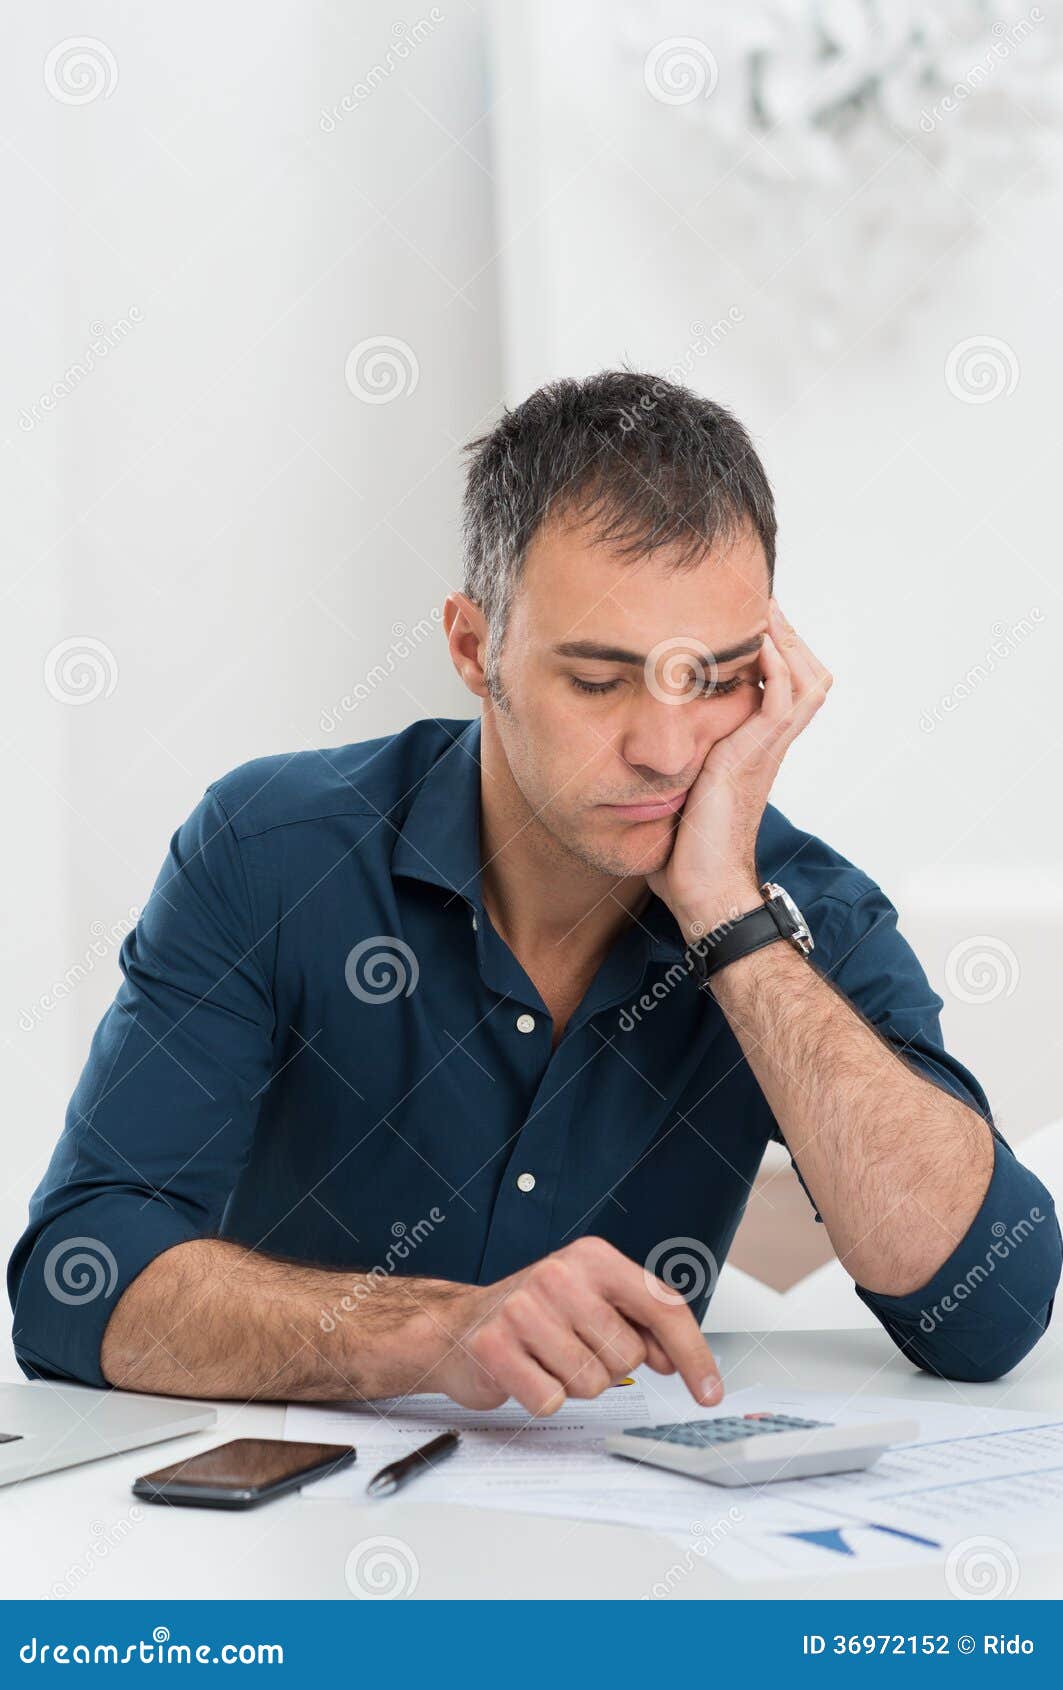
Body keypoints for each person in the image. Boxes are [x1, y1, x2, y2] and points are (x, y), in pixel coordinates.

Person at [9, 372, 1060, 1414]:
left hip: (633, 1550)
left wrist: (727, 921)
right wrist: (432, 1331)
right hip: (295, 1530)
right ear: (474, 647)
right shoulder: (273, 850)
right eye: (599, 682)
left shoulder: (796, 909)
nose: (663, 750)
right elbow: (76, 1274)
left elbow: (987, 1311)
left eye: (713, 677)